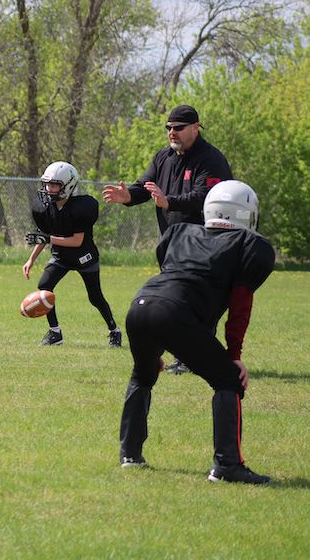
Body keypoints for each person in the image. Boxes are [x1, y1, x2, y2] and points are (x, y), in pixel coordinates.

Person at [118, 180, 274, 484]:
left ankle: (130, 455)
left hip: (140, 304)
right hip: (173, 312)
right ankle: (228, 465)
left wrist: (162, 344)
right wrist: (235, 356)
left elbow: (174, 277)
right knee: (228, 380)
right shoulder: (249, 245)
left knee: (143, 374)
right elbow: (239, 308)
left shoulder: (179, 232)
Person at [103, 104, 233, 373]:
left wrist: (168, 201)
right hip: (172, 242)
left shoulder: (211, 159)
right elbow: (145, 186)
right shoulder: (163, 157)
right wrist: (128, 197)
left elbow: (205, 197)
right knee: (176, 302)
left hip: (204, 242)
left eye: (178, 128)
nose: (172, 133)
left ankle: (193, 359)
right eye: (169, 128)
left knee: (196, 302)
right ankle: (186, 358)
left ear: (195, 128)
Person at [23, 161, 122, 347]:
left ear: (67, 186)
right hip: (61, 256)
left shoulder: (82, 206)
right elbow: (44, 236)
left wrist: (48, 239)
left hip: (83, 256)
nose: (48, 189)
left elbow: (76, 241)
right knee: (44, 287)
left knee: (95, 297)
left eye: (54, 185)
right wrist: (31, 260)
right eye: (47, 184)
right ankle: (55, 333)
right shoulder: (45, 208)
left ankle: (114, 331)